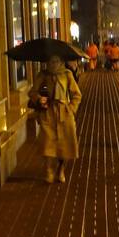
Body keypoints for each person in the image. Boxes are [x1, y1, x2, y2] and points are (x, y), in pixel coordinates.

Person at [28, 54, 82, 183]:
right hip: (48, 112)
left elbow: (76, 94)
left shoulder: (67, 74)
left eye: (56, 61)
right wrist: (38, 98)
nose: (53, 63)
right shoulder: (43, 75)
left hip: (64, 113)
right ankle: (49, 170)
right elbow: (32, 92)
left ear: (61, 61)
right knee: (48, 142)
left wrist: (71, 108)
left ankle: (61, 169)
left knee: (66, 144)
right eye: (51, 61)